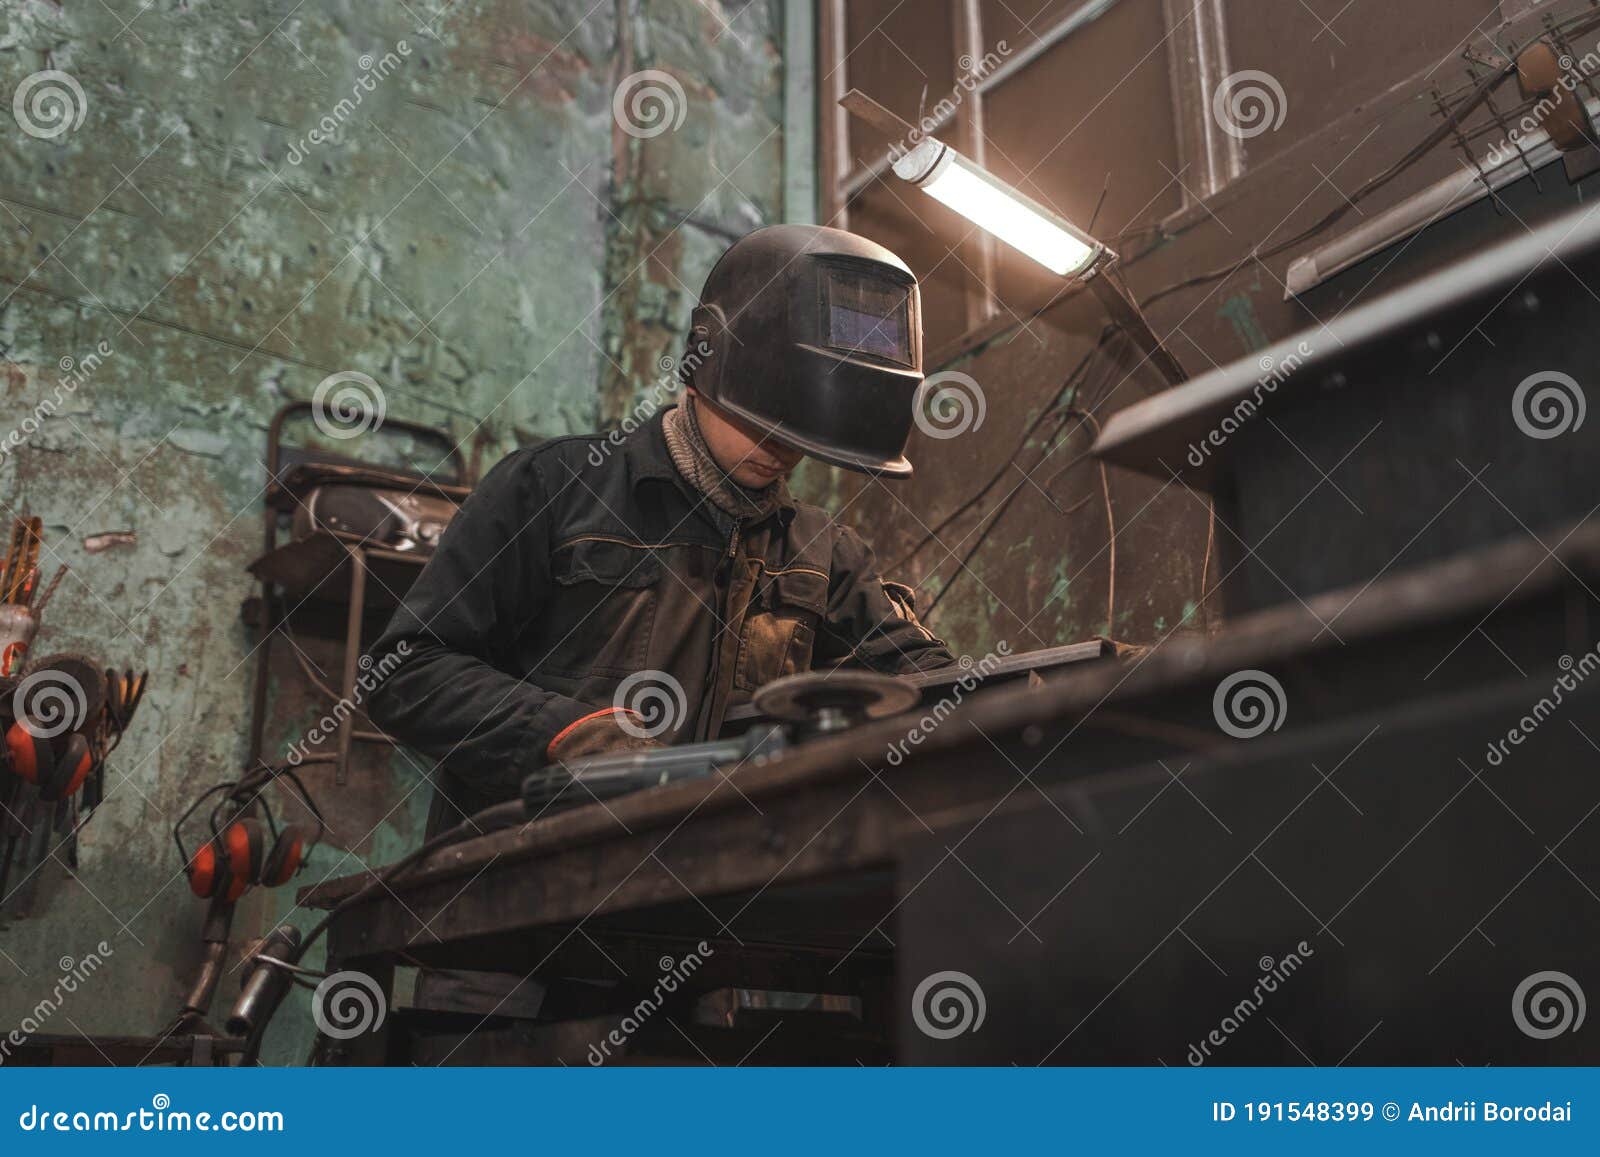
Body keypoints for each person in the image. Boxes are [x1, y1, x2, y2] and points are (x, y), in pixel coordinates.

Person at [367, 224, 955, 838]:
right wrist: (562, 734)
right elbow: (405, 672)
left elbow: (927, 683)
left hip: (698, 890)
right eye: (768, 426)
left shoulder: (824, 555)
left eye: (801, 441)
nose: (781, 453)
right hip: (525, 882)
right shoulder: (554, 489)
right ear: (707, 368)